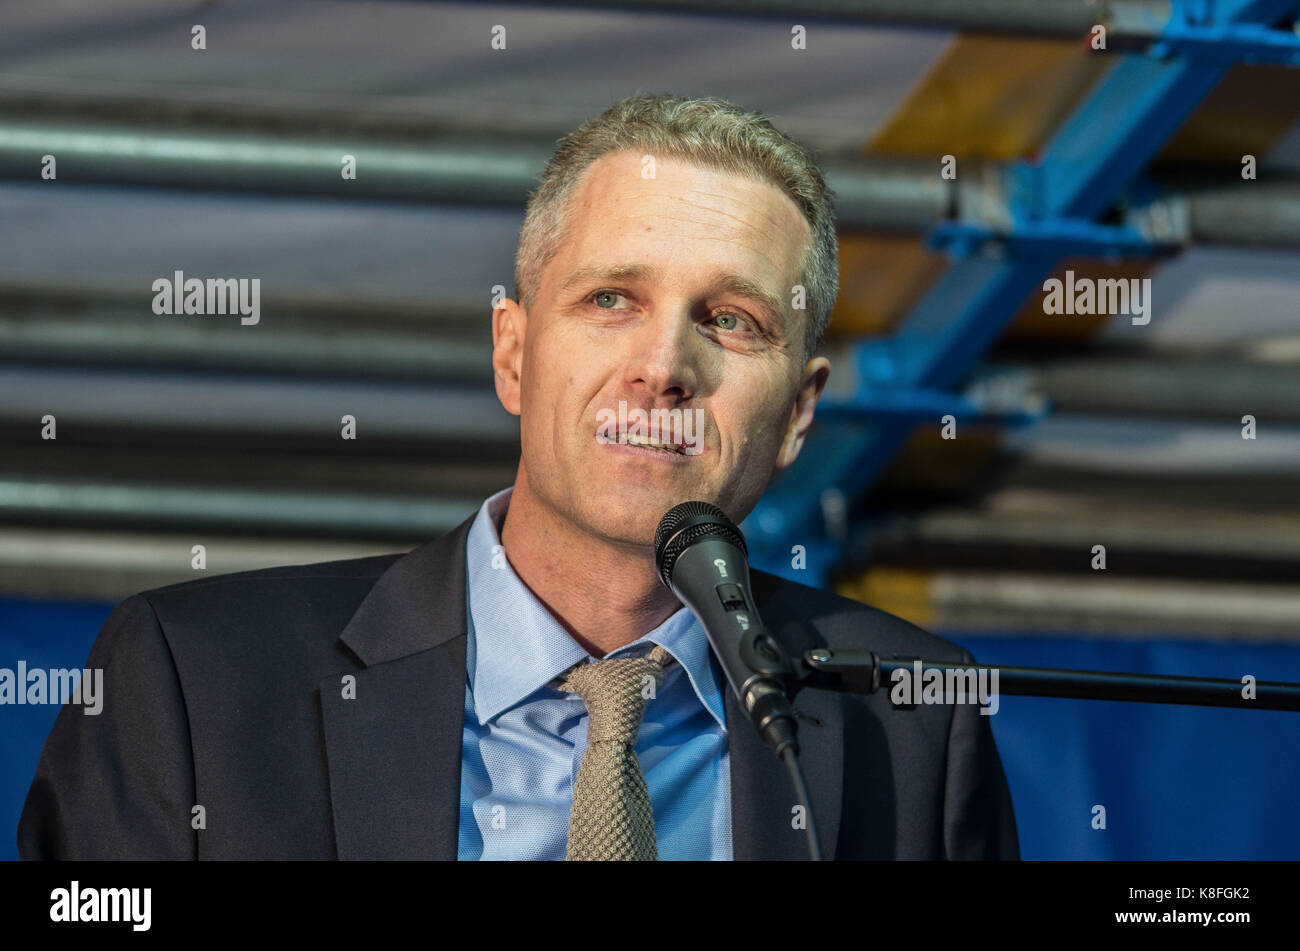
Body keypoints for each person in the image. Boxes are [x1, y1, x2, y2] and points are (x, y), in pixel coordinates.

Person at [18, 94, 1018, 860]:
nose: (664, 364)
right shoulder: (193, 683)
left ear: (798, 410)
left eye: (731, 320)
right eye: (612, 297)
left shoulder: (909, 723)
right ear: (514, 354)